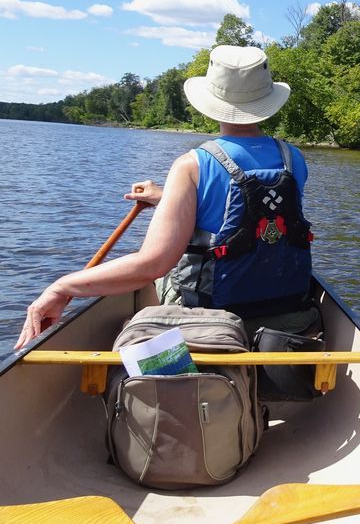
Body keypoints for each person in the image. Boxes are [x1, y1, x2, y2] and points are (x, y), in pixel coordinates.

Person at [16, 45, 314, 349]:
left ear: (210, 102)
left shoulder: (193, 164)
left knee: (158, 278)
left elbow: (152, 264)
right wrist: (167, 197)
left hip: (210, 319)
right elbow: (254, 212)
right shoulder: (293, 158)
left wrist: (62, 286)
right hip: (286, 313)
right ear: (267, 100)